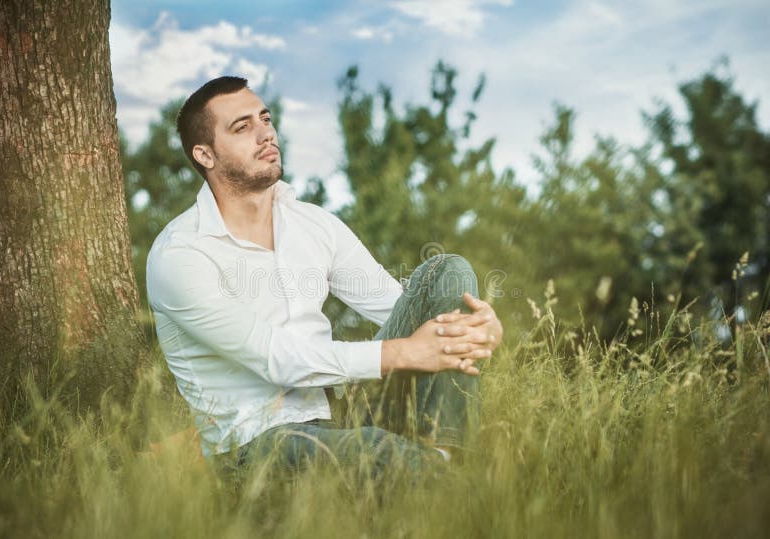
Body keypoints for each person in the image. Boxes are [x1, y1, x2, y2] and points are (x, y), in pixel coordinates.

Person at [146, 76, 503, 481]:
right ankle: (454, 482)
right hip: (254, 443)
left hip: (339, 412)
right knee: (374, 449)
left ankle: (446, 457)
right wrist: (405, 352)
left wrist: (480, 327)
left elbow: (401, 306)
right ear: (205, 154)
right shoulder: (181, 254)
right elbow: (277, 360)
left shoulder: (312, 223)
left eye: (265, 119)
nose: (265, 134)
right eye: (242, 127)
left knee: (447, 272)